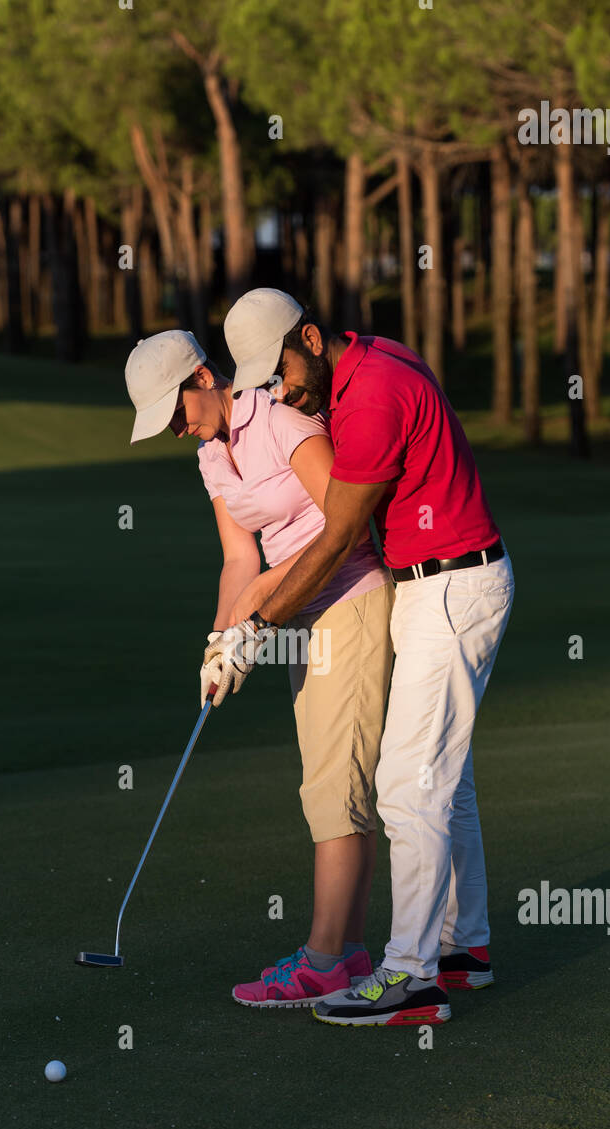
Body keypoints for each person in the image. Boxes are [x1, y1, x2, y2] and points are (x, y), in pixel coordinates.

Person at [206, 289, 515, 1028]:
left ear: (310, 337)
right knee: (448, 779)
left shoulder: (371, 396)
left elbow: (339, 535)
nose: (278, 390)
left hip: (449, 588)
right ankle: (460, 950)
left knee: (407, 786)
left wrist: (258, 622)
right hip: (433, 582)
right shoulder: (372, 359)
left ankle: (408, 978)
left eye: (279, 370)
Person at [124, 329, 394, 1007]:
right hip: (294, 618)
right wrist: (221, 641)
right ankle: (347, 950)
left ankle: (327, 960)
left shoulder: (279, 419)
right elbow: (240, 559)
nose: (178, 430)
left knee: (336, 783)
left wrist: (254, 622)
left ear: (204, 377)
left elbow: (346, 523)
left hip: (351, 603)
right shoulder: (213, 455)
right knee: (328, 779)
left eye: (176, 411)